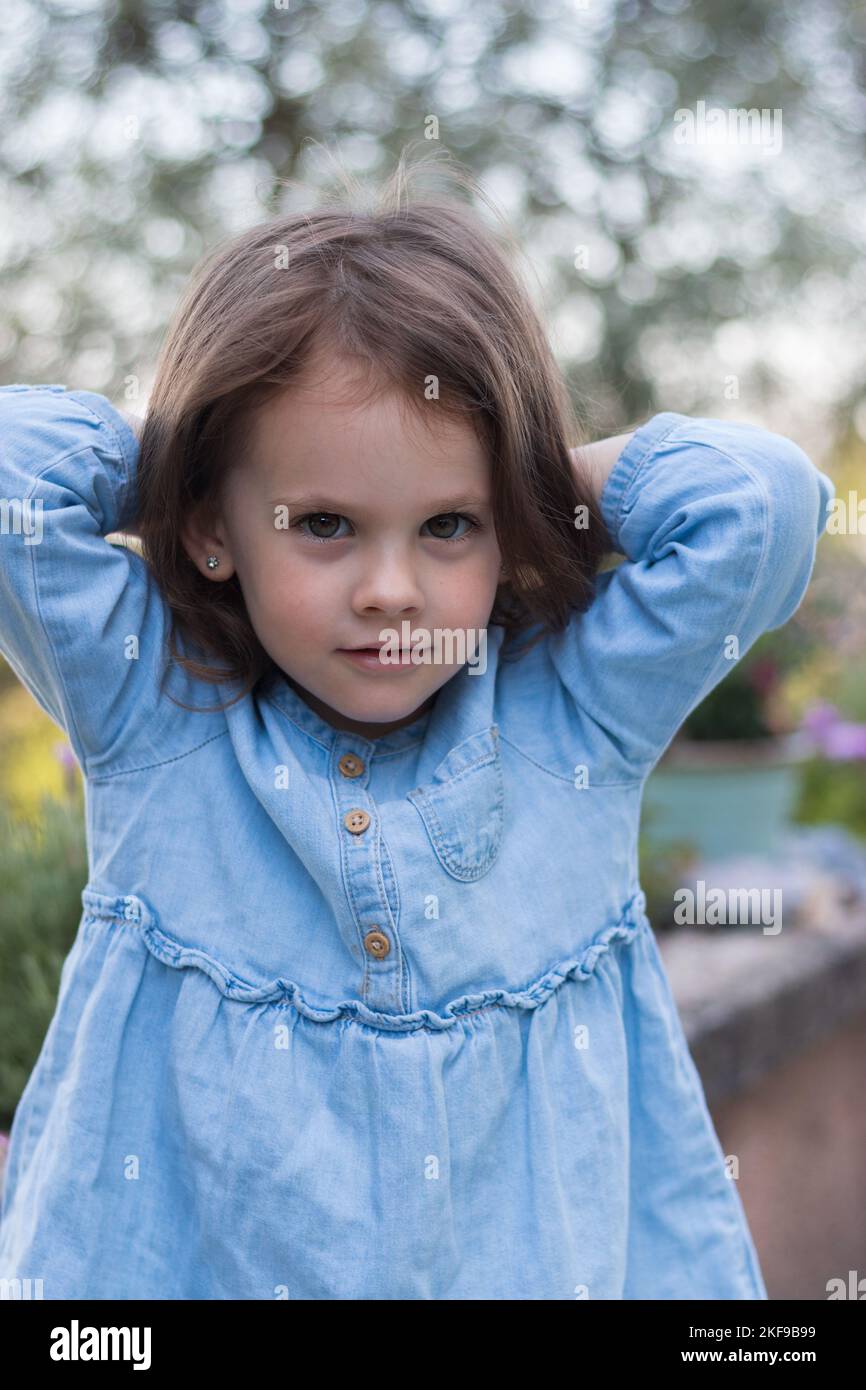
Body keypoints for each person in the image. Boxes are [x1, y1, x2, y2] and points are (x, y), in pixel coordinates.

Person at [0, 157, 835, 1299]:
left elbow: (764, 509)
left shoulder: (572, 716)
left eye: (448, 523)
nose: (391, 588)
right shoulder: (161, 706)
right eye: (327, 523)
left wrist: (547, 480)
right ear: (208, 530)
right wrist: (203, 457)